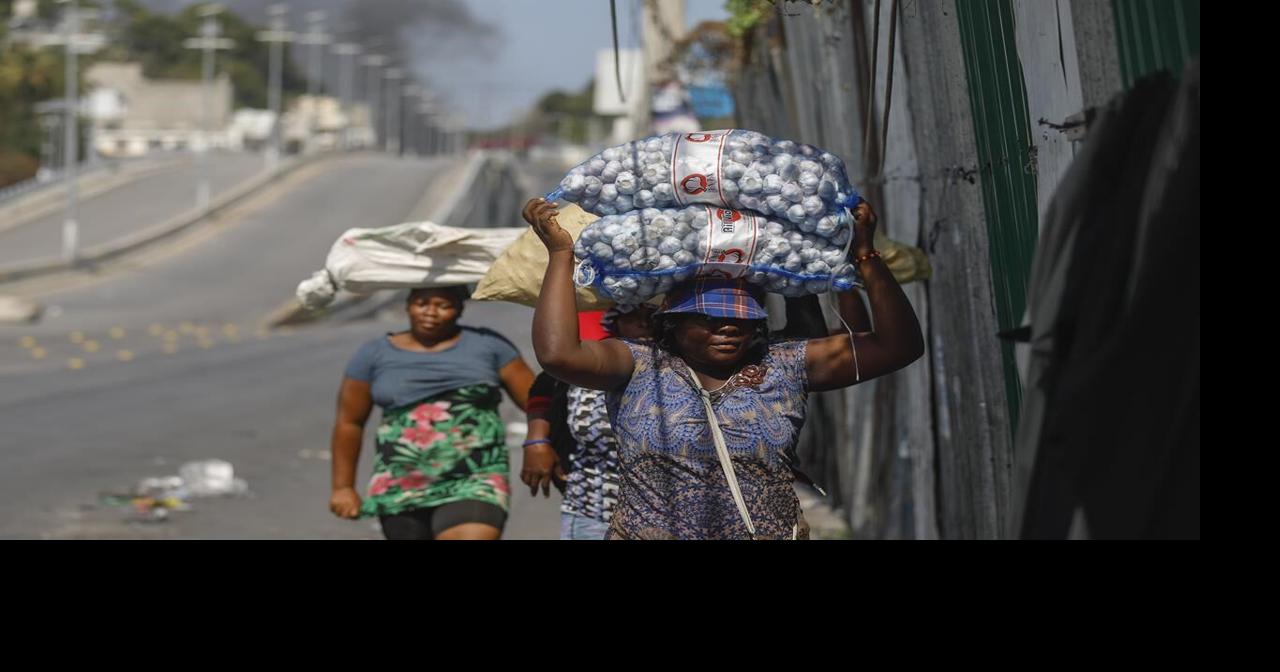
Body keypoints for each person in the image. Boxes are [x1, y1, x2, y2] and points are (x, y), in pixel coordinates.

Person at [522, 197, 923, 539]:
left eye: (742, 319)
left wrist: (866, 256)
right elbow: (558, 355)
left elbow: (899, 346)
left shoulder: (783, 364)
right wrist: (561, 255)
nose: (728, 326)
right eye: (709, 318)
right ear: (672, 324)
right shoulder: (639, 364)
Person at [328, 285, 536, 540]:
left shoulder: (489, 346)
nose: (430, 312)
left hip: (475, 478)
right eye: (421, 303)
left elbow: (536, 404)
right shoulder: (374, 354)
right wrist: (343, 487)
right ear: (407, 305)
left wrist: (541, 444)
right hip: (401, 484)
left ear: (460, 309)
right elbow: (350, 422)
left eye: (443, 305)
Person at [522, 306, 656, 540]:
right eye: (632, 316)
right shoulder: (592, 362)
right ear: (616, 322)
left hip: (663, 517)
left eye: (651, 317)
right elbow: (543, 386)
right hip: (591, 508)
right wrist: (537, 438)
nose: (643, 325)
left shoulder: (686, 369)